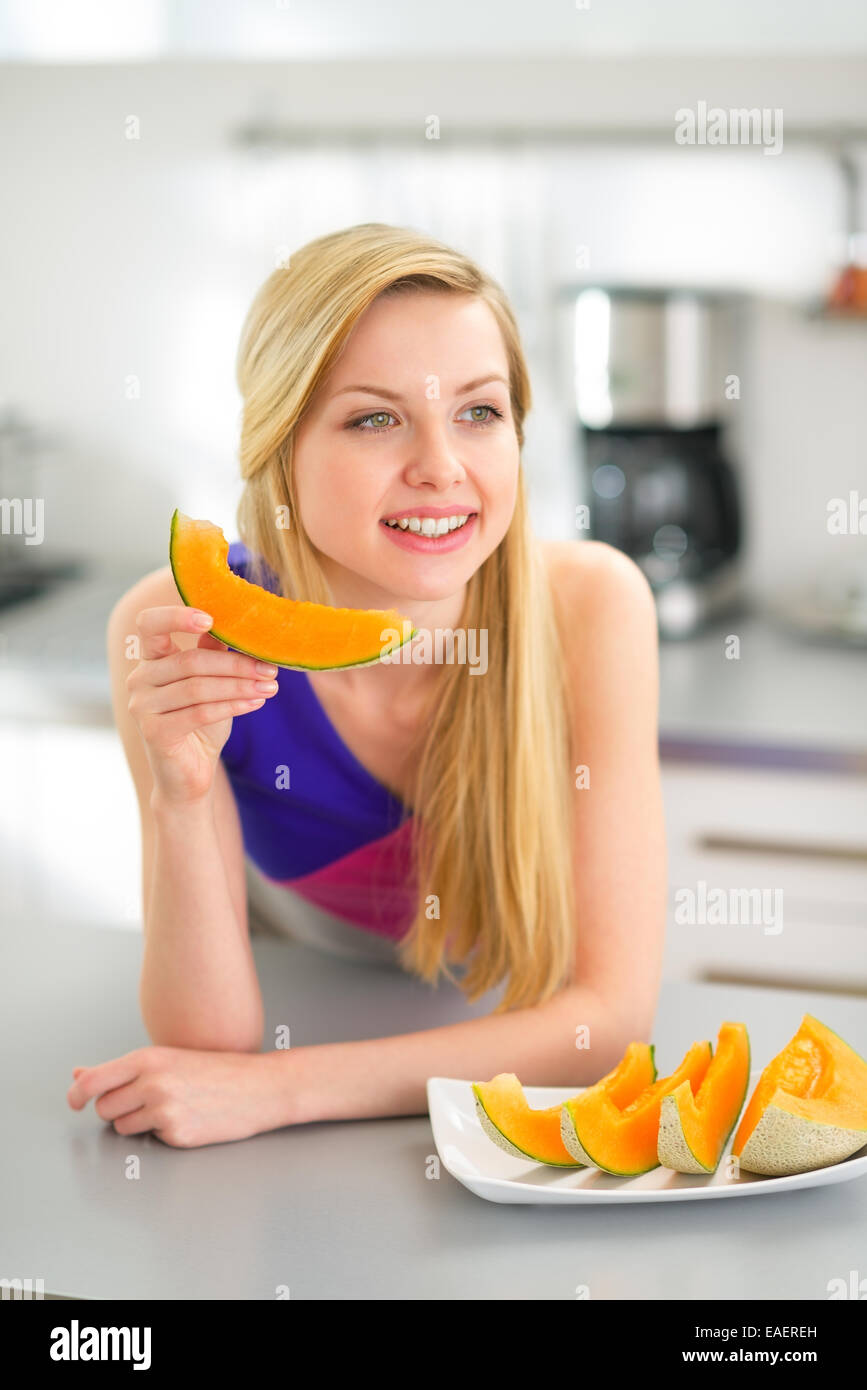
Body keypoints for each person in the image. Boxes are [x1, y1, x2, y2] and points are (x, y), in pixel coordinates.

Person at [67, 222, 666, 1148]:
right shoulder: (179, 628)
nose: (441, 467)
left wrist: (284, 1092)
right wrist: (180, 792)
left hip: (490, 1059)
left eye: (478, 412)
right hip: (309, 1003)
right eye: (373, 418)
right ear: (281, 447)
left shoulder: (593, 606)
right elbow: (205, 1047)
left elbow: (604, 1023)